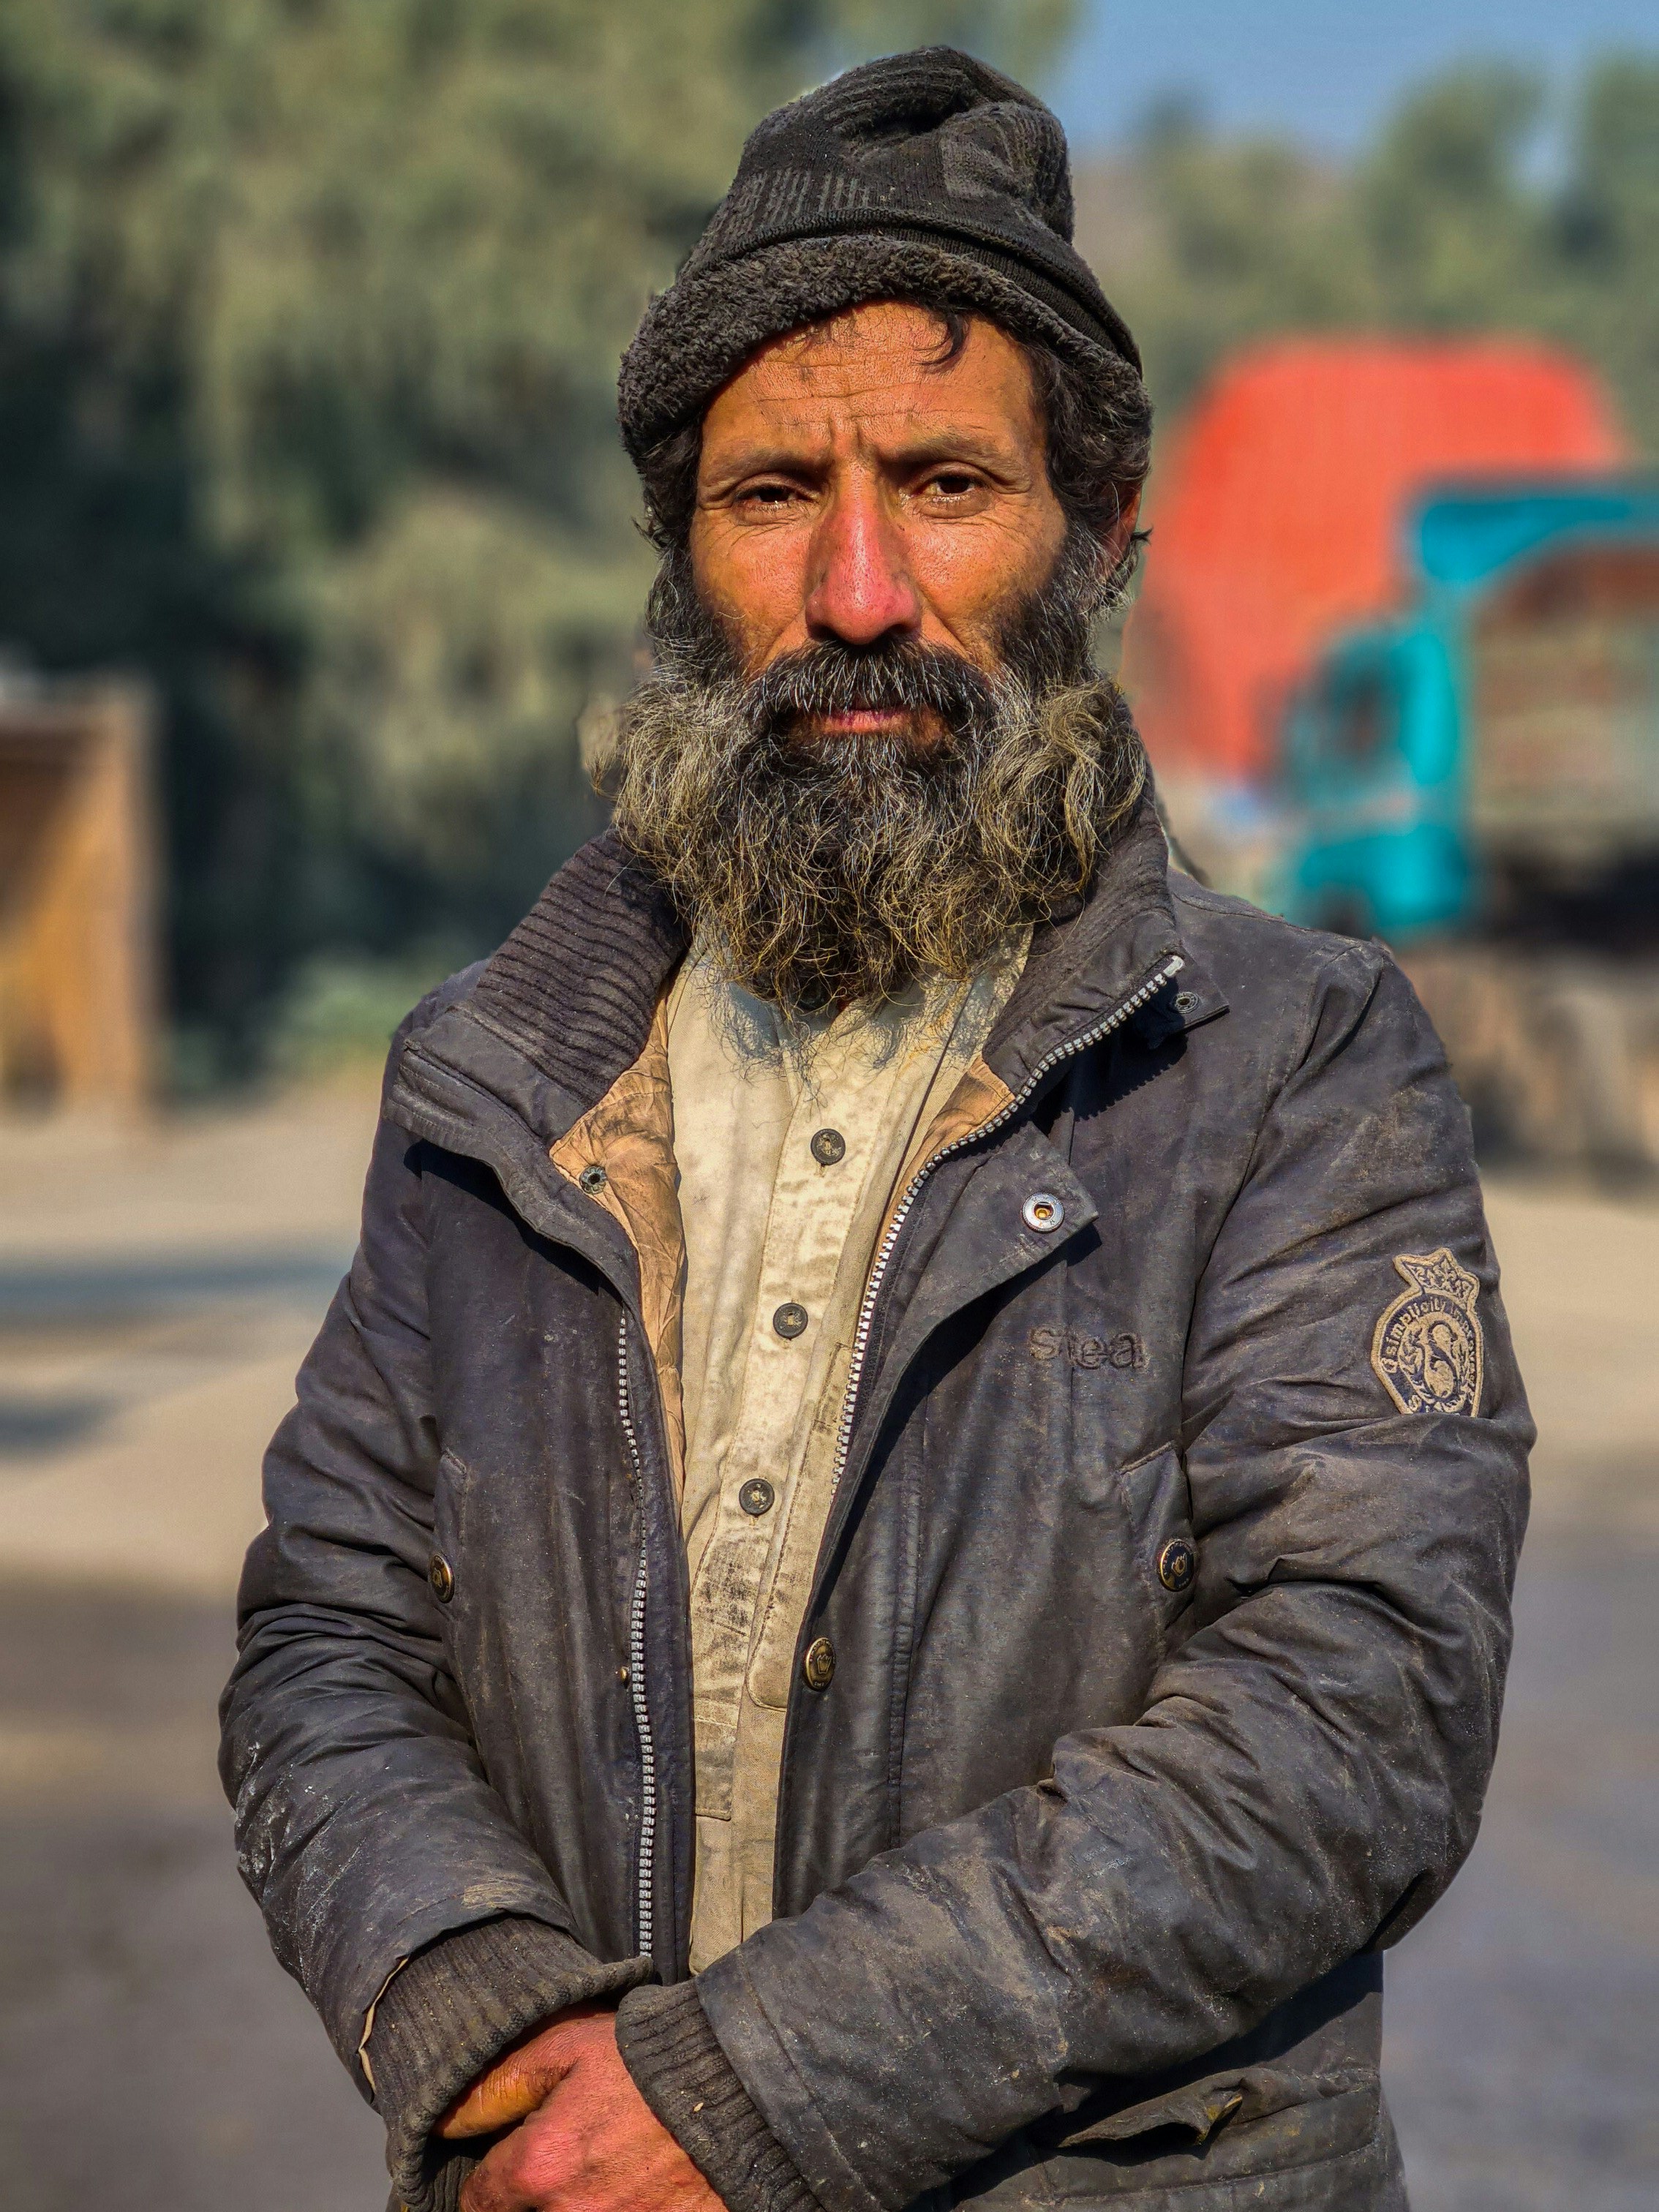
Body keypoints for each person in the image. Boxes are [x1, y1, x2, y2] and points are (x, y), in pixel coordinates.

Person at [220, 48, 1531, 2212]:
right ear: (680, 557)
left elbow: (1352, 1711)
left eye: (941, 484)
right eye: (766, 499)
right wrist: (489, 2009)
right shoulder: (496, 1080)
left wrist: (743, 2096)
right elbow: (328, 1637)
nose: (851, 595)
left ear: (1098, 539)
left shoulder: (1294, 1061)